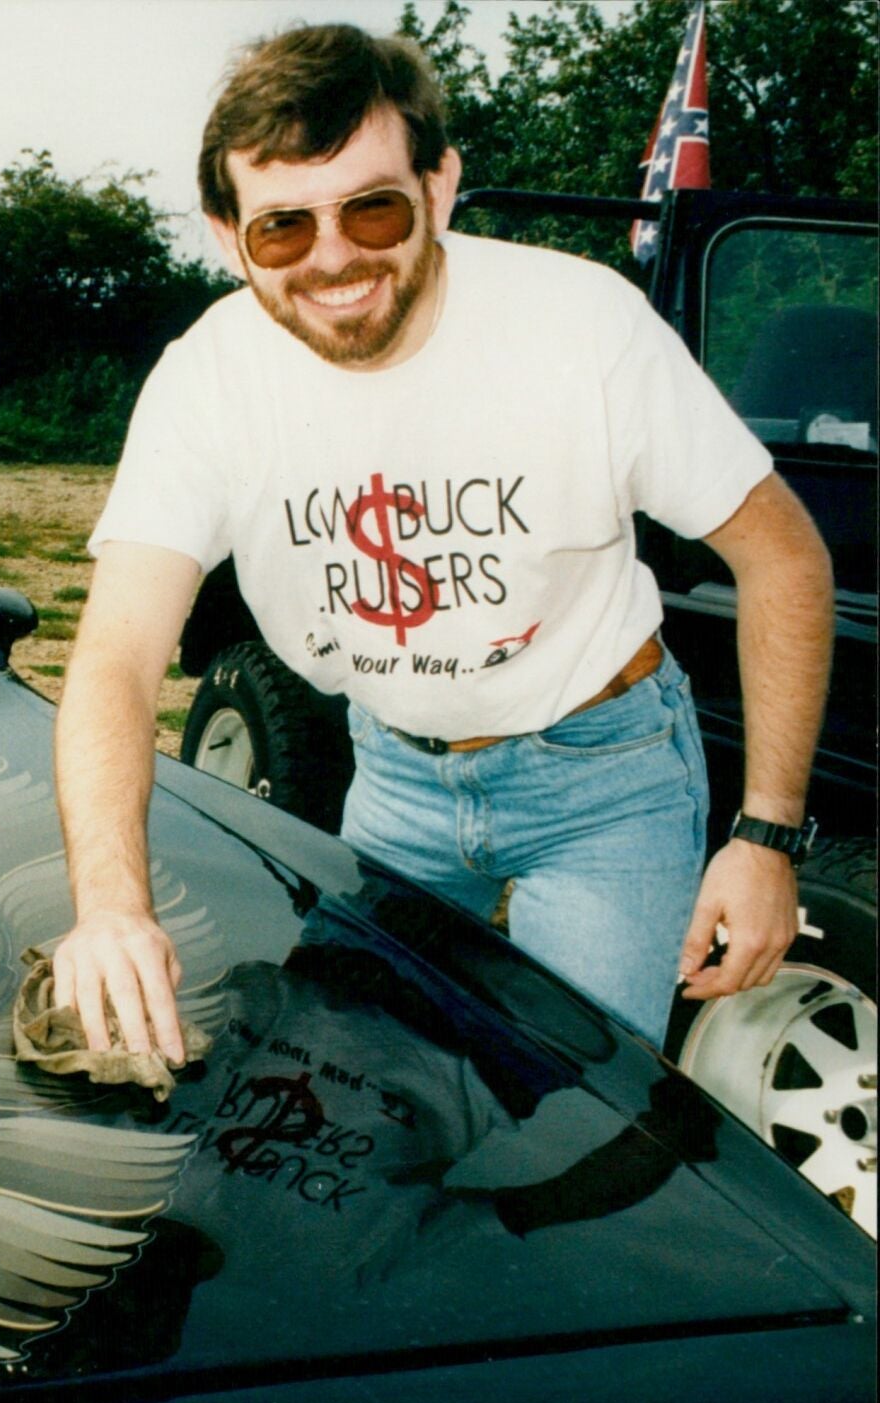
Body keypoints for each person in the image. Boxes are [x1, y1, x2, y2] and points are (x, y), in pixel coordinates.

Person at [51, 22, 833, 1060]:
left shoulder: (579, 328)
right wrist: (109, 906)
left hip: (602, 774)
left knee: (576, 1112)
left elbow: (781, 555)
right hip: (395, 771)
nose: (331, 257)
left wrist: (763, 836)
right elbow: (112, 656)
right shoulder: (206, 381)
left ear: (439, 186)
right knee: (362, 1085)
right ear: (223, 232)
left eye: (369, 207)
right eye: (281, 227)